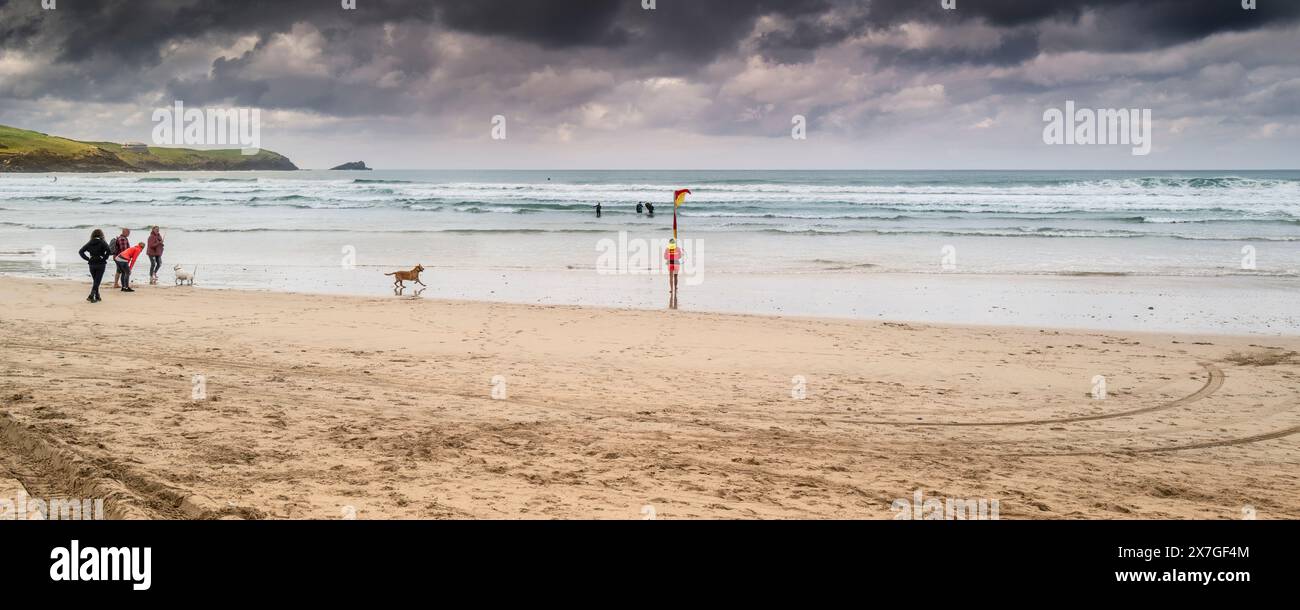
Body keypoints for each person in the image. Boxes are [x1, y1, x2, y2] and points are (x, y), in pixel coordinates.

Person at [77, 229, 112, 303]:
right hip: (100, 264)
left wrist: (88, 259)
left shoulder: (90, 242)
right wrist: (104, 258)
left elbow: (81, 252)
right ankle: (91, 295)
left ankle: (97, 295)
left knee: (96, 281)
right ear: (101, 235)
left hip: (92, 264)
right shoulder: (102, 242)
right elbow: (109, 250)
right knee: (97, 281)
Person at [664, 238, 683, 309]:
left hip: (670, 263)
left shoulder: (667, 249)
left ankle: (671, 289)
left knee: (670, 277)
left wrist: (670, 256)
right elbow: (680, 256)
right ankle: (675, 288)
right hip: (676, 264)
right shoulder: (677, 248)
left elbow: (665, 257)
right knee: (676, 276)